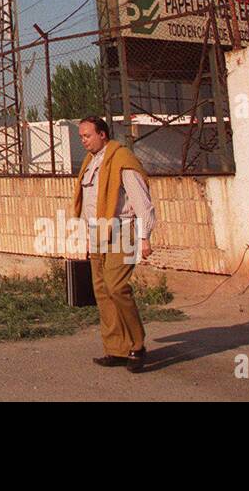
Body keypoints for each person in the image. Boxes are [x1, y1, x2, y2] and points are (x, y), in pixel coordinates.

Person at [72, 115, 156, 373]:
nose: (83, 141)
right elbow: (89, 201)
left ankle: (137, 345)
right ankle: (116, 349)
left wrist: (144, 236)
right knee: (102, 291)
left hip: (124, 229)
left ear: (103, 135)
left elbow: (141, 201)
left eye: (87, 135)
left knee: (116, 286)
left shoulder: (122, 159)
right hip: (99, 231)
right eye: (81, 136)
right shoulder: (90, 162)